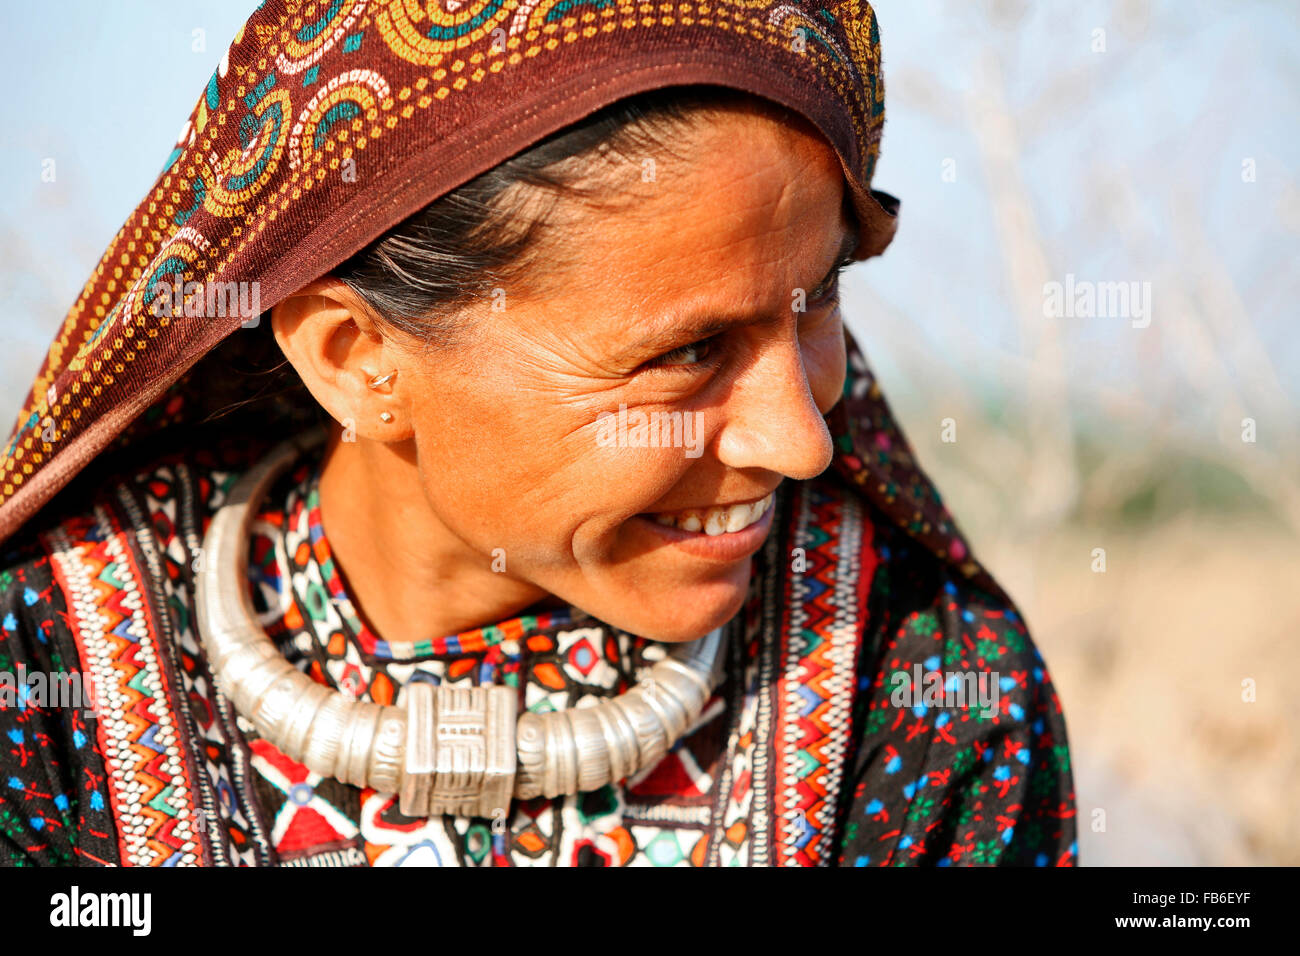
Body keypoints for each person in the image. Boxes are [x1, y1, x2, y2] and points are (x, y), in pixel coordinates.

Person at [0, 0, 1075, 867]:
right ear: (353, 357)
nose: (799, 442)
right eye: (690, 351)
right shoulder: (47, 676)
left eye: (820, 297)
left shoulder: (922, 689)